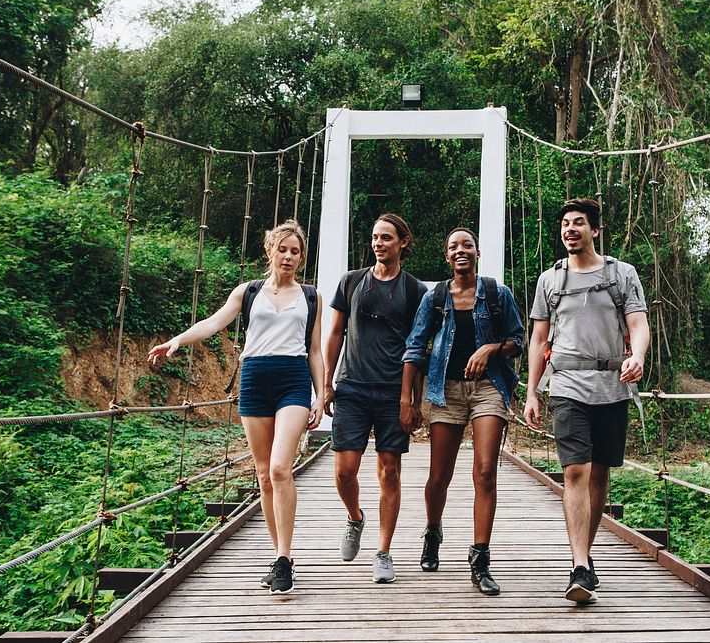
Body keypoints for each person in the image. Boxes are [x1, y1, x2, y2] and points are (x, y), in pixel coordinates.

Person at [147, 220, 323, 595]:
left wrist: (321, 395)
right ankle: (281, 558)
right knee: (263, 474)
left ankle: (284, 557)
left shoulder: (311, 297)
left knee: (279, 468)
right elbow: (214, 323)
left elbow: (315, 350)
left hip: (292, 380)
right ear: (270, 251)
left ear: (301, 257)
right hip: (255, 380)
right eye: (282, 249)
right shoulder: (249, 292)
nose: (288, 256)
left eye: (295, 251)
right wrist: (177, 341)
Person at [523, 198, 649, 603]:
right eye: (565, 224)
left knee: (599, 474)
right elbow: (538, 339)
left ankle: (585, 556)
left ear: (595, 230)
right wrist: (532, 392)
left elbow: (638, 324)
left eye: (578, 223)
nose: (570, 229)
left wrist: (638, 356)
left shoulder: (622, 274)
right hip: (566, 386)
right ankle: (579, 565)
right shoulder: (550, 280)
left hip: (612, 385)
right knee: (576, 470)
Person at [401, 227, 524, 596]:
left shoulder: (498, 294)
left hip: (488, 388)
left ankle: (480, 559)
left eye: (467, 245)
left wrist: (490, 348)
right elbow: (415, 346)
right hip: (446, 390)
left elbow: (517, 340)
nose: (460, 250)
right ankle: (433, 531)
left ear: (477, 252)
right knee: (439, 476)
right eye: (453, 246)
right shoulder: (435, 298)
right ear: (447, 256)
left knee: (485, 472)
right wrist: (407, 400)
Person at [323, 214, 426, 584]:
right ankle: (355, 517)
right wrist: (327, 383)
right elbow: (335, 332)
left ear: (403, 242)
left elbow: (418, 347)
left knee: (390, 470)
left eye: (386, 238)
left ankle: (383, 552)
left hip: (392, 392)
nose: (379, 243)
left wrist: (414, 401)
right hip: (352, 386)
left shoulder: (415, 290)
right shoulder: (352, 281)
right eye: (374, 237)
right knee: (344, 470)